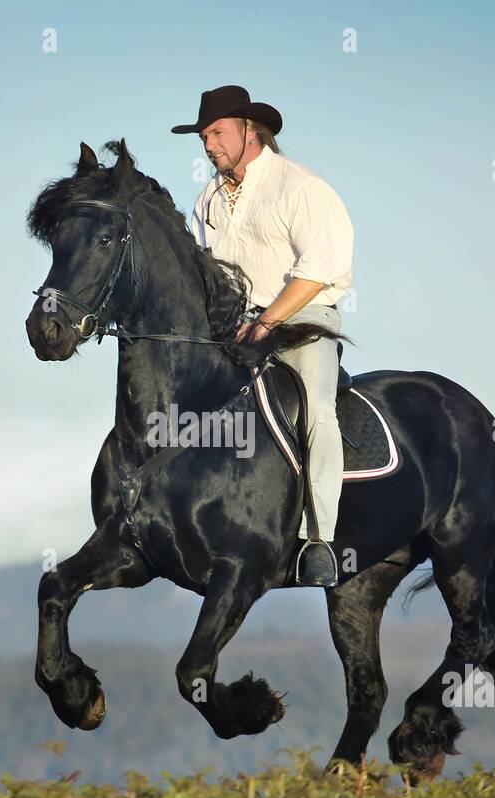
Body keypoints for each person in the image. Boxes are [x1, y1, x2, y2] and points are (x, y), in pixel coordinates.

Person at [172, 85, 354, 587]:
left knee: (318, 409)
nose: (208, 145)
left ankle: (320, 540)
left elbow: (318, 271)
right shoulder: (208, 198)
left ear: (251, 132)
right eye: (203, 136)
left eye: (216, 133)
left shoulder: (300, 187)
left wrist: (268, 321)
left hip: (302, 319)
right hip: (235, 326)